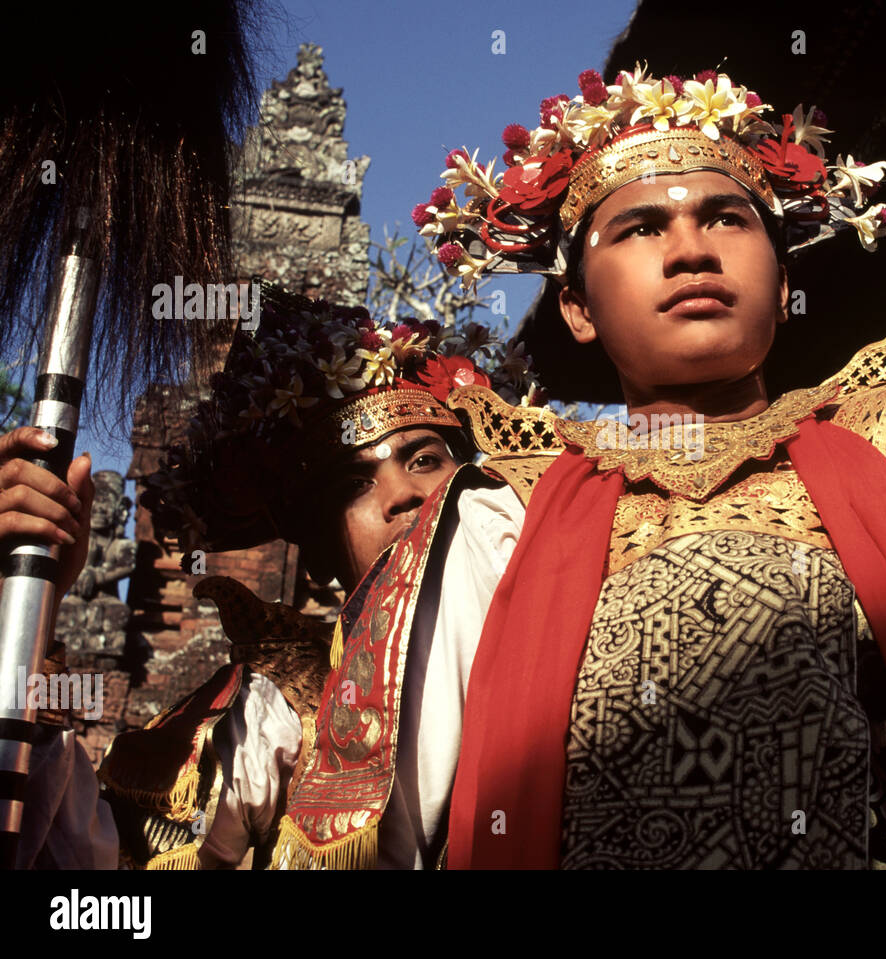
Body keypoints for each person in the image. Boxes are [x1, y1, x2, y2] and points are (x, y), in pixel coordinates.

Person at [260, 66, 886, 869]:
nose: (690, 247)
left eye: (725, 216)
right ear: (576, 304)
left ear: (780, 270)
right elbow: (369, 836)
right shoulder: (498, 520)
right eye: (640, 227)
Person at [5, 286, 510, 868]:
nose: (405, 496)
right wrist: (22, 615)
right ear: (317, 558)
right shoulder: (277, 712)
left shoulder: (579, 606)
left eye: (425, 460)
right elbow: (92, 872)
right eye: (353, 484)